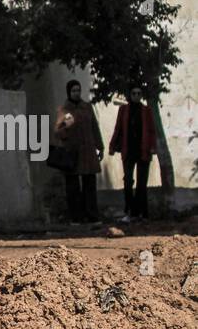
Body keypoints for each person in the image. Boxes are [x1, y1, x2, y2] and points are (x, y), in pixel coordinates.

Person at [52, 79, 104, 223]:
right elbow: (57, 132)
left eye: (78, 90)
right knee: (73, 187)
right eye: (73, 91)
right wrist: (66, 128)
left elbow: (94, 127)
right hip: (72, 153)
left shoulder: (87, 107)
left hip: (88, 151)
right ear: (69, 92)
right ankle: (76, 217)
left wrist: (100, 146)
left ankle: (92, 215)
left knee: (90, 185)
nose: (76, 93)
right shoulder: (64, 110)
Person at [109, 84, 157, 221]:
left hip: (143, 150)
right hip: (128, 150)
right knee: (128, 181)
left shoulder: (146, 110)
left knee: (142, 183)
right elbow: (118, 128)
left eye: (139, 93)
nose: (136, 96)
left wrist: (153, 147)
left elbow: (152, 131)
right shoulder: (124, 110)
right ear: (130, 95)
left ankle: (142, 212)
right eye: (134, 93)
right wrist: (112, 146)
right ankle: (130, 210)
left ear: (141, 95)